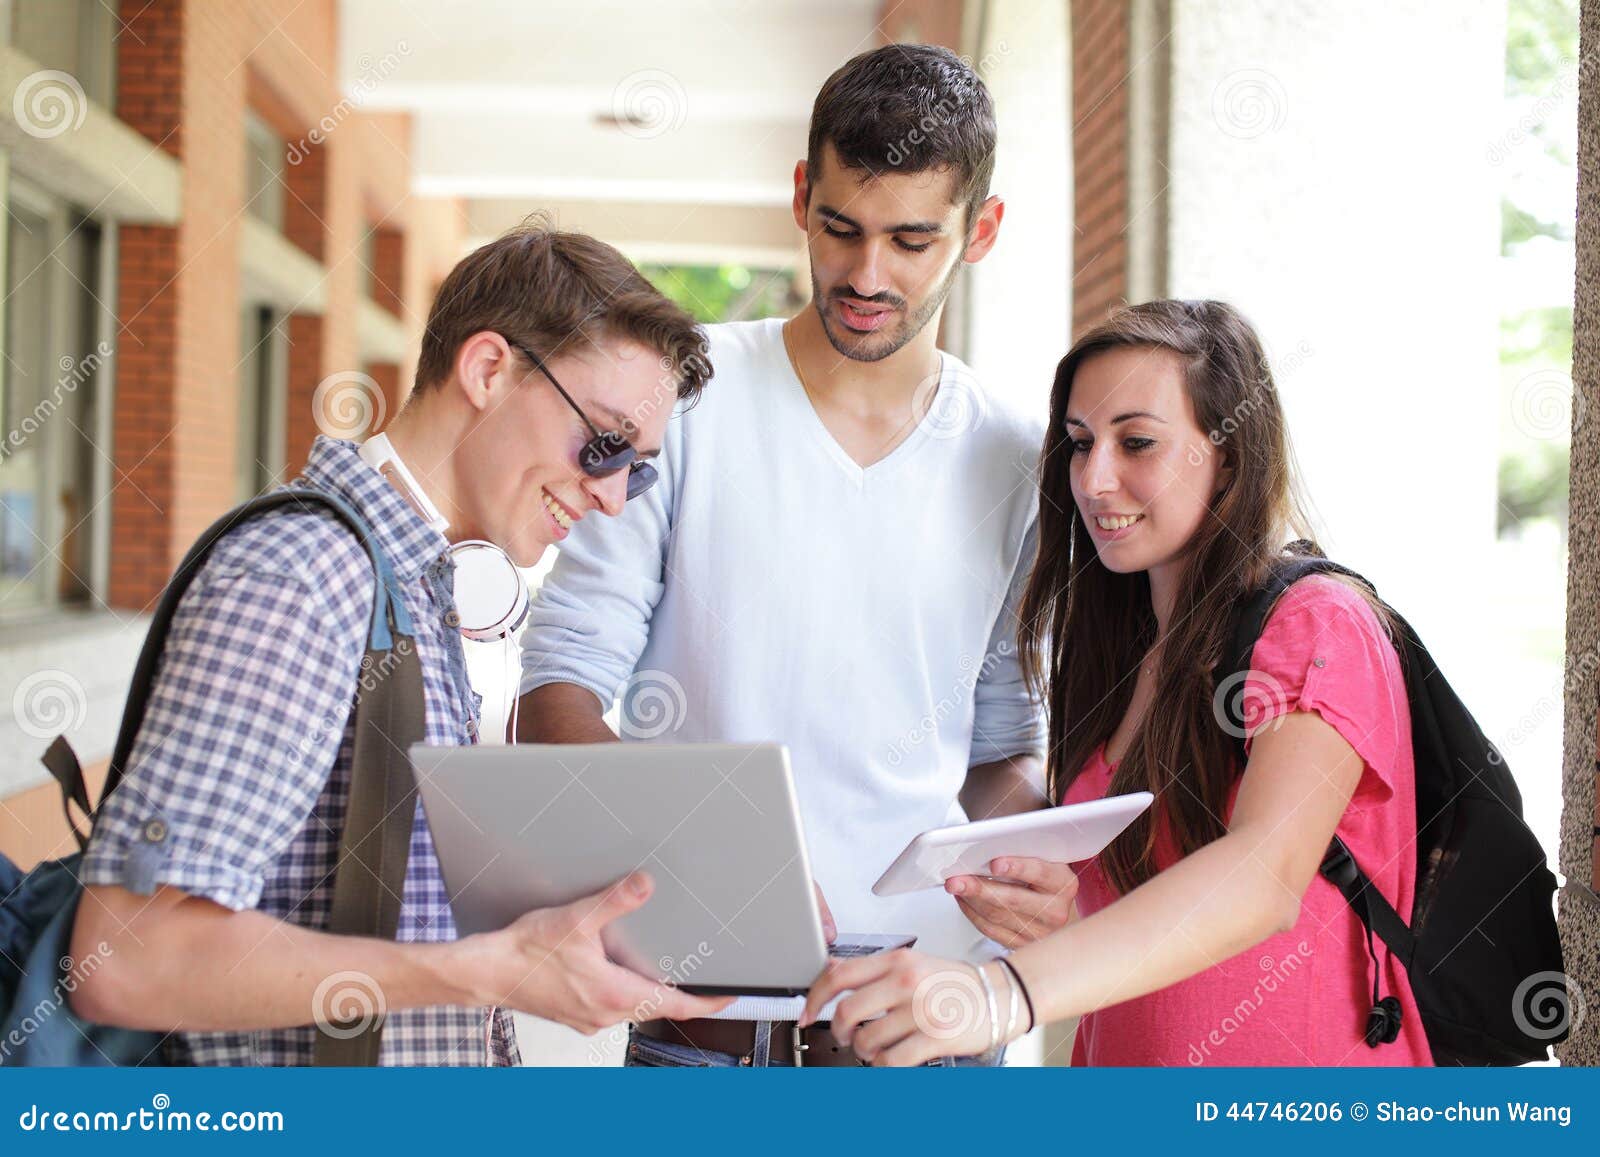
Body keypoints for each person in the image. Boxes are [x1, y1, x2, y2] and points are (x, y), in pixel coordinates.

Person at [68, 222, 731, 1065]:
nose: (610, 498)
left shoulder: (411, 584)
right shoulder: (305, 577)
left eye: (635, 469)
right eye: (603, 444)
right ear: (488, 369)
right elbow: (130, 955)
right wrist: (479, 971)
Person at [516, 45, 1049, 1067]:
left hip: (927, 1032)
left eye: (911, 240)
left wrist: (1026, 860)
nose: (864, 274)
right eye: (842, 228)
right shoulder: (686, 401)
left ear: (979, 231)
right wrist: (699, 862)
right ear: (802, 195)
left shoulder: (1016, 457)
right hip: (703, 1035)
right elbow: (558, 693)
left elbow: (997, 749)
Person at [802, 299, 1434, 1068]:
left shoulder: (1318, 622)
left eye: (1137, 442)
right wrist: (1041, 895)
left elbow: (1262, 877)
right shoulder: (1122, 649)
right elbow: (1134, 918)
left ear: (1228, 455)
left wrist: (995, 995)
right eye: (1078, 444)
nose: (1095, 479)